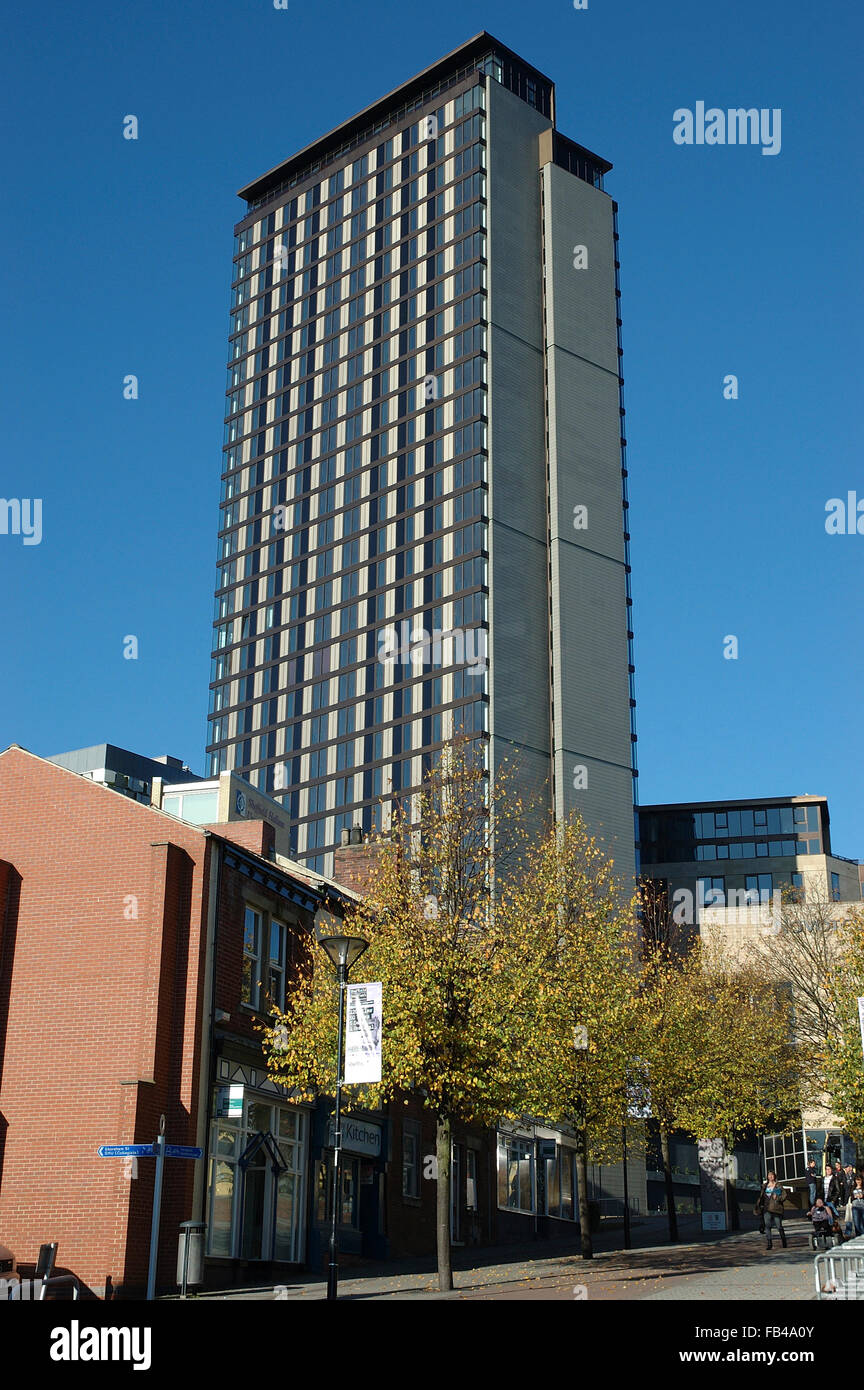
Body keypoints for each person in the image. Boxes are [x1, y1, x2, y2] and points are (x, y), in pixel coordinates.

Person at [755, 1172, 789, 1250]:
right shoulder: (764, 1186)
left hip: (776, 1208)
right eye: (769, 1175)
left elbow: (784, 1195)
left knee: (779, 1226)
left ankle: (783, 1240)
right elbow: (761, 1197)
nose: (770, 1176)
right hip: (766, 1209)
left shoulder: (778, 1185)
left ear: (774, 1176)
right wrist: (759, 1204)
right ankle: (769, 1243)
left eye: (772, 1175)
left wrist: (778, 1199)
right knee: (767, 1226)